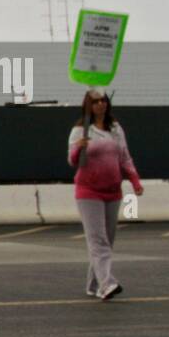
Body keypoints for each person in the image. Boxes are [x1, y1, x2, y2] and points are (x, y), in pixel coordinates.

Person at [67, 89, 143, 301]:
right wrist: (78, 149)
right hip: (88, 192)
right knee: (98, 240)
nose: (100, 104)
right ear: (88, 106)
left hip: (112, 191)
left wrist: (134, 180)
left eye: (103, 101)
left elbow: (125, 157)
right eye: (96, 101)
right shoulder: (80, 130)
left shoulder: (115, 129)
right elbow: (72, 161)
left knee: (107, 241)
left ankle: (93, 284)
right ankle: (107, 284)